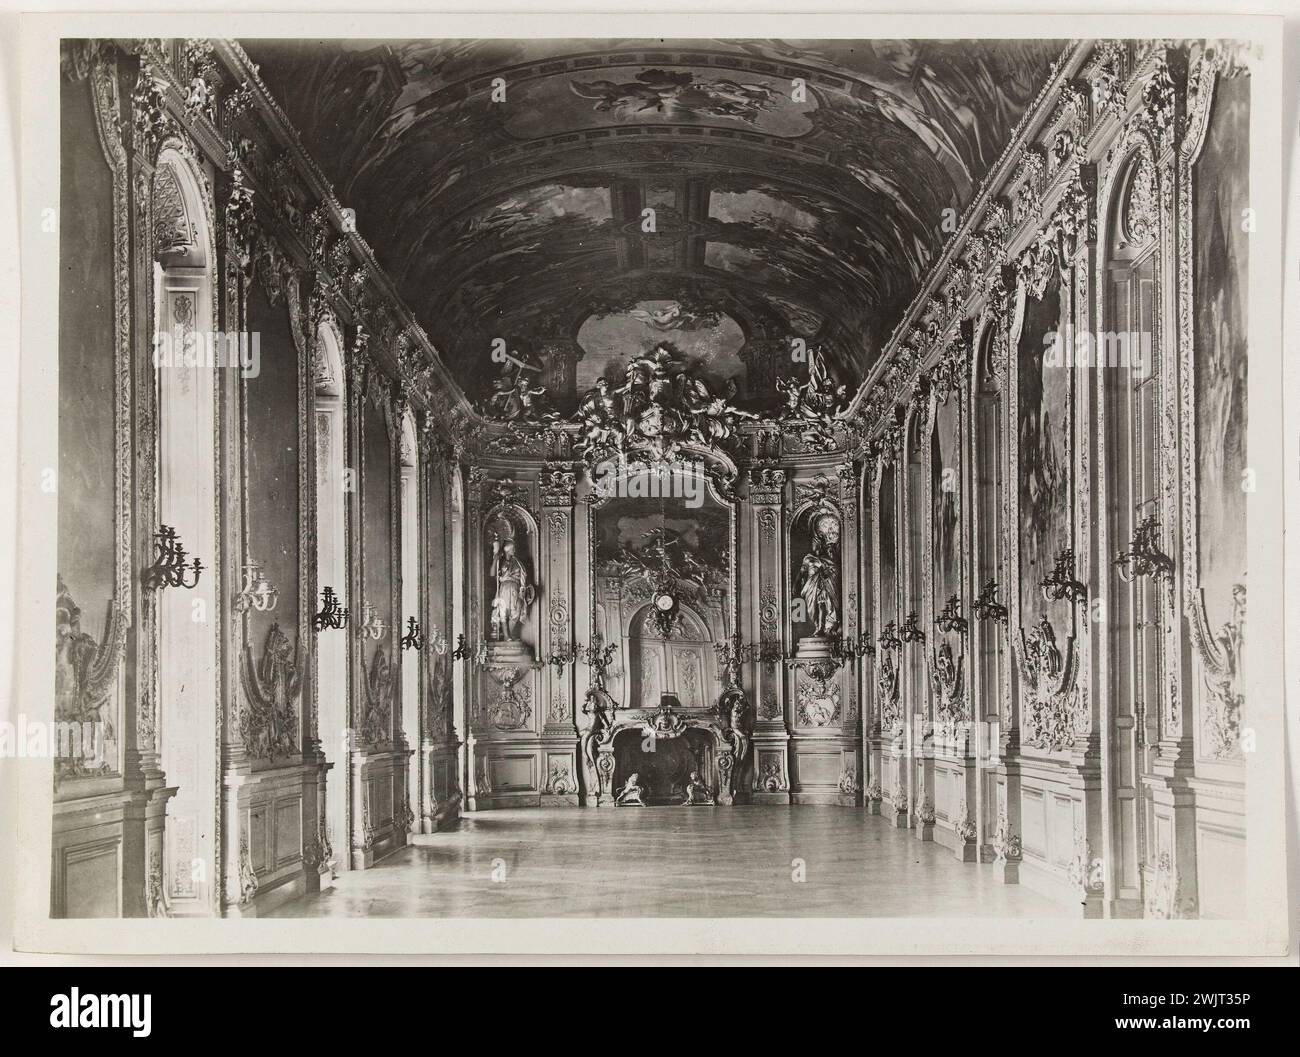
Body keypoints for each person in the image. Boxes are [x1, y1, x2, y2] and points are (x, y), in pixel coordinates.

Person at [797, 513, 840, 637]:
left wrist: (824, 569)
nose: (815, 546)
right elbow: (801, 572)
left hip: (824, 585)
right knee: (812, 609)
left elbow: (833, 570)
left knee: (823, 605)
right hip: (811, 587)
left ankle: (822, 628)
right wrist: (795, 585)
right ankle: (817, 626)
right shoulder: (808, 558)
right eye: (813, 544)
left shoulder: (826, 558)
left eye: (816, 544)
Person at [489, 537, 533, 640]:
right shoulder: (500, 561)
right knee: (504, 611)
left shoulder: (517, 562)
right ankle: (507, 636)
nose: (514, 550)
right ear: (507, 549)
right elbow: (492, 574)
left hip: (516, 588)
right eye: (513, 548)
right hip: (505, 588)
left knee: (516, 612)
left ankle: (509, 635)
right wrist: (495, 559)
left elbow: (523, 575)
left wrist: (523, 588)